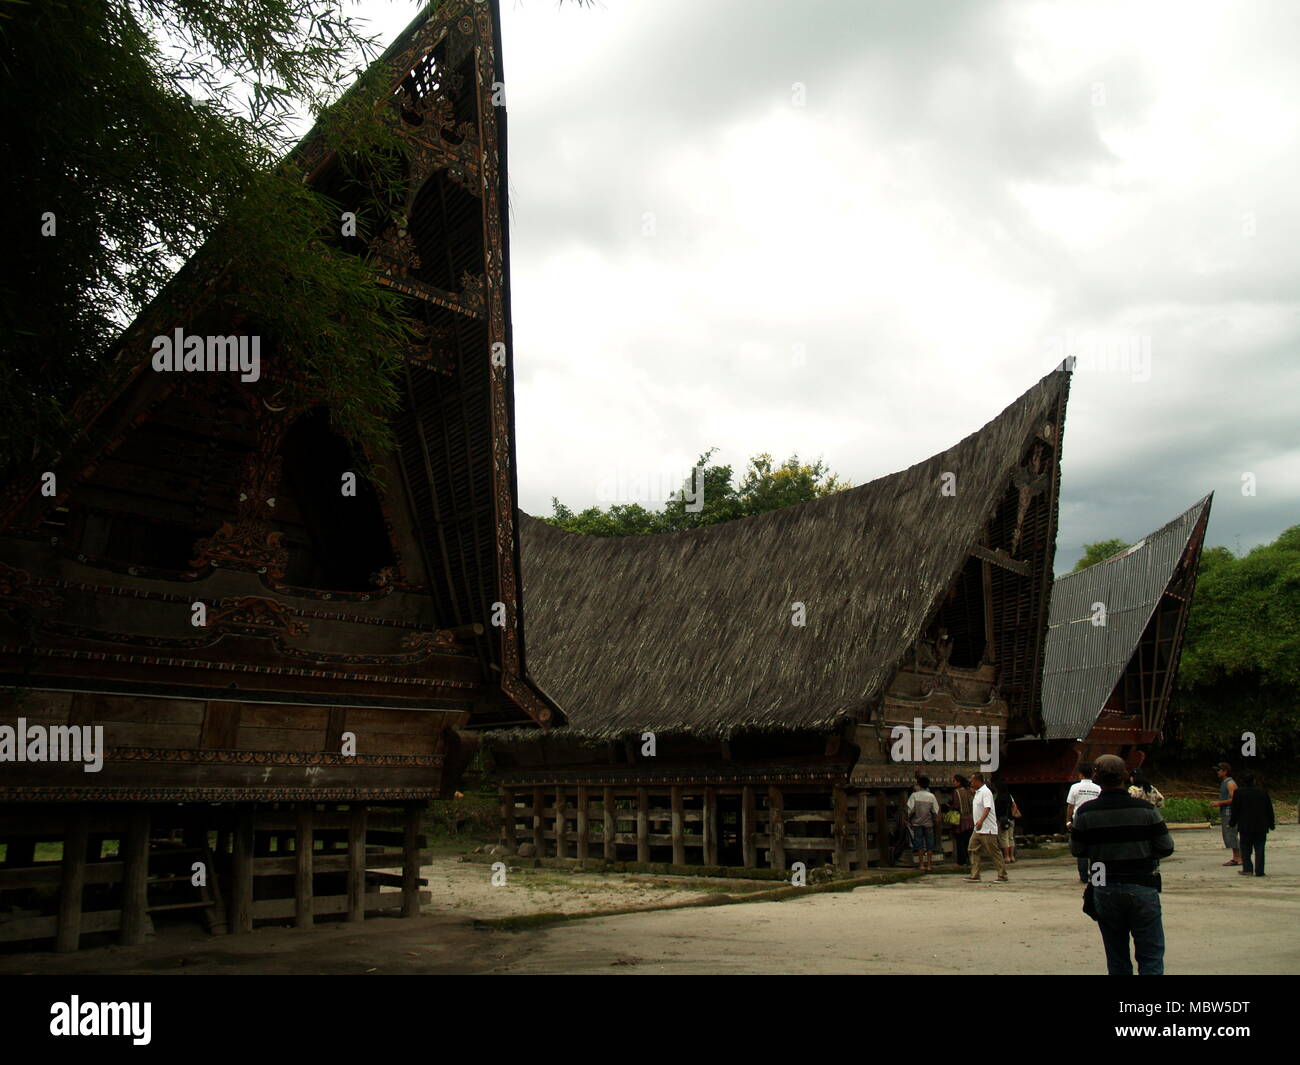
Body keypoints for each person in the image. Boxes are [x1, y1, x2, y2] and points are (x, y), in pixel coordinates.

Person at [1071, 754, 1174, 976]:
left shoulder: (1086, 812)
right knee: (1150, 956)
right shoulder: (1146, 810)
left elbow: (1077, 850)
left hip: (1104, 887)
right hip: (1142, 885)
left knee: (1116, 957)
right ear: (1125, 776)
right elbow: (1166, 847)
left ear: (1096, 778)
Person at [964, 772, 1007, 882]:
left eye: (972, 781)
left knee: (993, 851)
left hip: (987, 828)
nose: (971, 783)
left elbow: (987, 808)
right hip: (978, 829)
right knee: (972, 848)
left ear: (978, 781)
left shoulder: (985, 792)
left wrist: (981, 821)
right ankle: (975, 874)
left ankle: (1002, 875)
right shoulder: (978, 793)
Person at [1230, 773, 1275, 877]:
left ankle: (1247, 869)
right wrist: (1271, 823)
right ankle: (1259, 871)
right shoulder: (1262, 792)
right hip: (1261, 825)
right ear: (1254, 781)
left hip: (1245, 825)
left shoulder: (1239, 792)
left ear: (1242, 781)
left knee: (1245, 848)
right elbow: (1269, 809)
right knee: (1260, 848)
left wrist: (1232, 823)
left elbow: (1235, 809)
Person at [1066, 762, 1103, 883]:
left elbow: (1070, 806)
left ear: (1080, 775)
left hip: (1079, 819)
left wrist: (1068, 821)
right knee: (1096, 848)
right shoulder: (1098, 788)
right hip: (1096, 820)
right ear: (1092, 775)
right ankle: (1097, 876)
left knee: (1081, 847)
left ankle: (1083, 876)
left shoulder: (1075, 787)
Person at [1209, 762, 1241, 866]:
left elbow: (1234, 799)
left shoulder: (1230, 783)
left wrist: (1219, 803)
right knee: (1228, 835)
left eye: (1219, 770)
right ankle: (1236, 857)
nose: (1217, 772)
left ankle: (1239, 858)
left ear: (1225, 771)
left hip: (1230, 813)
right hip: (1225, 812)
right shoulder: (1224, 782)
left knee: (1231, 835)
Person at [907, 775, 942, 872]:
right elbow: (936, 810)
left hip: (917, 823)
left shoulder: (914, 795)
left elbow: (910, 810)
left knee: (919, 844)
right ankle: (929, 865)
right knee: (930, 843)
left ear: (919, 785)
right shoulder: (931, 796)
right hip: (928, 823)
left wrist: (908, 819)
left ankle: (921, 864)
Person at [949, 775, 974, 865]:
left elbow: (956, 806)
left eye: (954, 781)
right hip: (970, 819)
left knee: (960, 841)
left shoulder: (957, 792)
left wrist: (950, 807)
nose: (953, 782)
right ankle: (970, 859)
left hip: (960, 820)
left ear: (959, 782)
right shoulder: (969, 791)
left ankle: (961, 861)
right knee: (968, 841)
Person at [994, 781, 1020, 863]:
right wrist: (1012, 814)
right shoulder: (1009, 795)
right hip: (1011, 819)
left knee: (1003, 838)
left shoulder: (998, 797)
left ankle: (1006, 857)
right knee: (1011, 838)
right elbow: (1014, 806)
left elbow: (996, 809)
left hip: (1002, 820)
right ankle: (1012, 856)